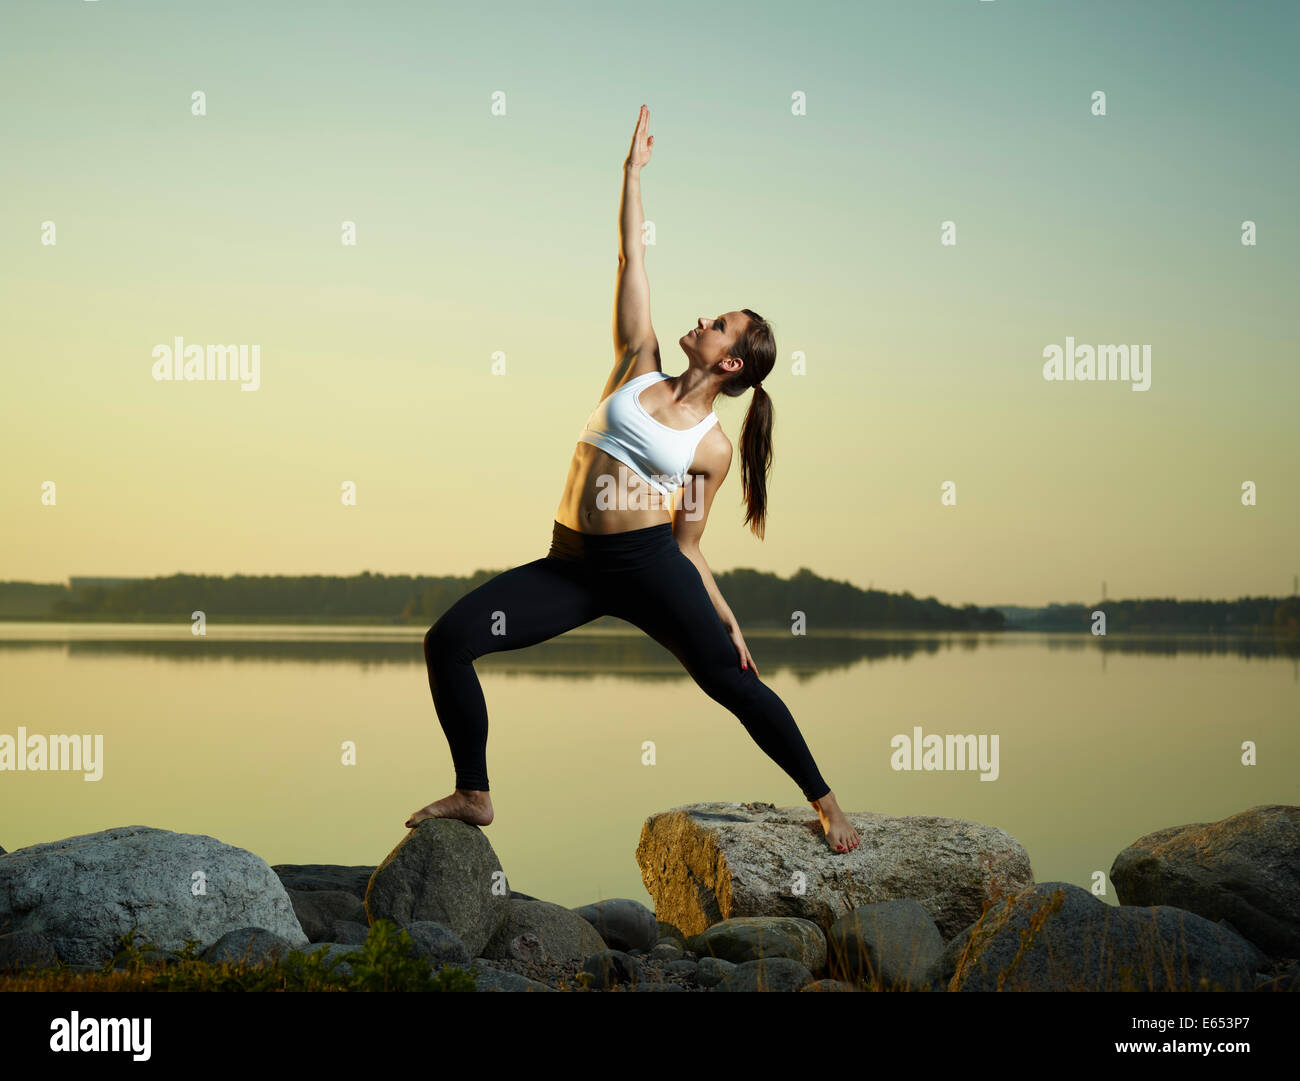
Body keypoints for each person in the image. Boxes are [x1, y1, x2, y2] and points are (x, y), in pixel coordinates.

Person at [407, 105, 861, 854]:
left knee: (731, 681)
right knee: (448, 639)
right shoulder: (636, 359)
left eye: (719, 324)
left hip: (646, 569)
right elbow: (631, 259)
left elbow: (687, 542)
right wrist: (631, 175)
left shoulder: (711, 448)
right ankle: (474, 792)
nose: (705, 320)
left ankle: (827, 803)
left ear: (732, 363)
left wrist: (724, 612)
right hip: (570, 565)